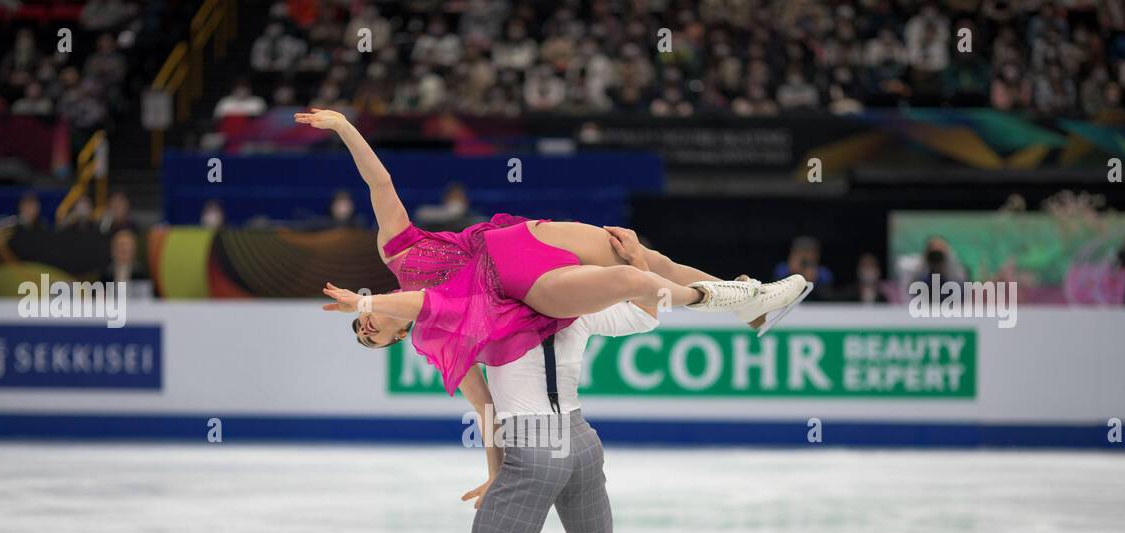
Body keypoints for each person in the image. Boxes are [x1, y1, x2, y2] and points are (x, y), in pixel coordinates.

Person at [296, 109, 809, 395]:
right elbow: (481, 405)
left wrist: (343, 127)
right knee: (639, 281)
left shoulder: (398, 256)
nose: (365, 331)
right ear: (396, 337)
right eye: (371, 338)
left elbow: (380, 182)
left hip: (521, 241)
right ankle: (743, 302)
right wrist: (366, 304)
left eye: (360, 328)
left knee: (652, 260)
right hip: (526, 289)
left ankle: (753, 305)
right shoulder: (430, 330)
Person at [456, 225, 664, 533]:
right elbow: (647, 309)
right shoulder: (580, 307)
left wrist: (368, 306)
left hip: (534, 443)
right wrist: (637, 258)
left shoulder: (488, 308)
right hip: (581, 440)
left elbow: (478, 395)